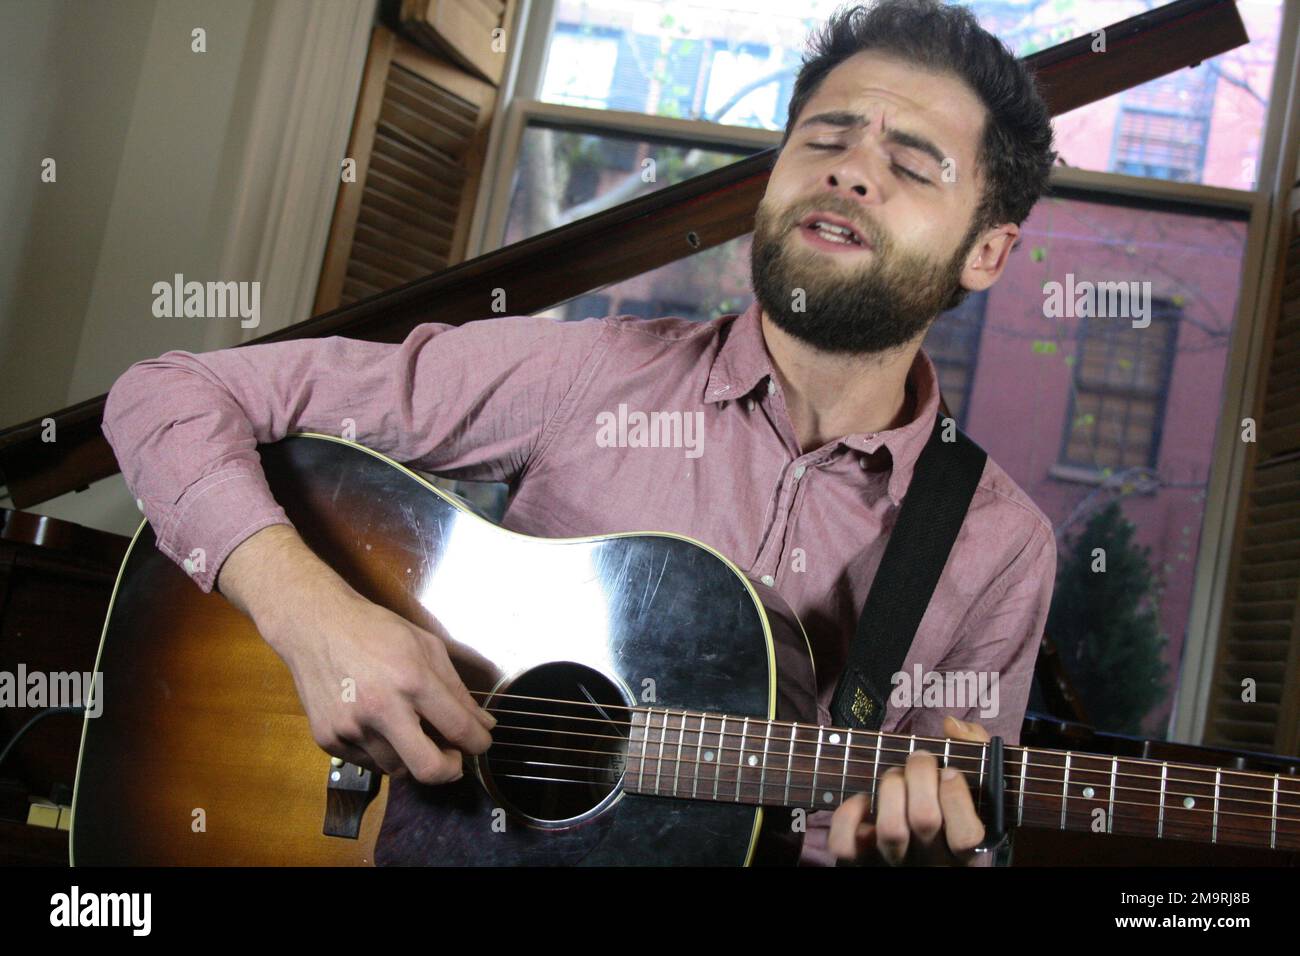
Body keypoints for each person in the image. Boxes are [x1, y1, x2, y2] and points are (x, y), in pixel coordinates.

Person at [101, 0, 1057, 867]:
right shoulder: (587, 373)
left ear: (986, 250)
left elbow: (949, 830)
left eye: (910, 163)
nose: (850, 168)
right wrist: (314, 619)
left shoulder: (996, 545)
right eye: (826, 138)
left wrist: (925, 859)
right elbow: (166, 395)